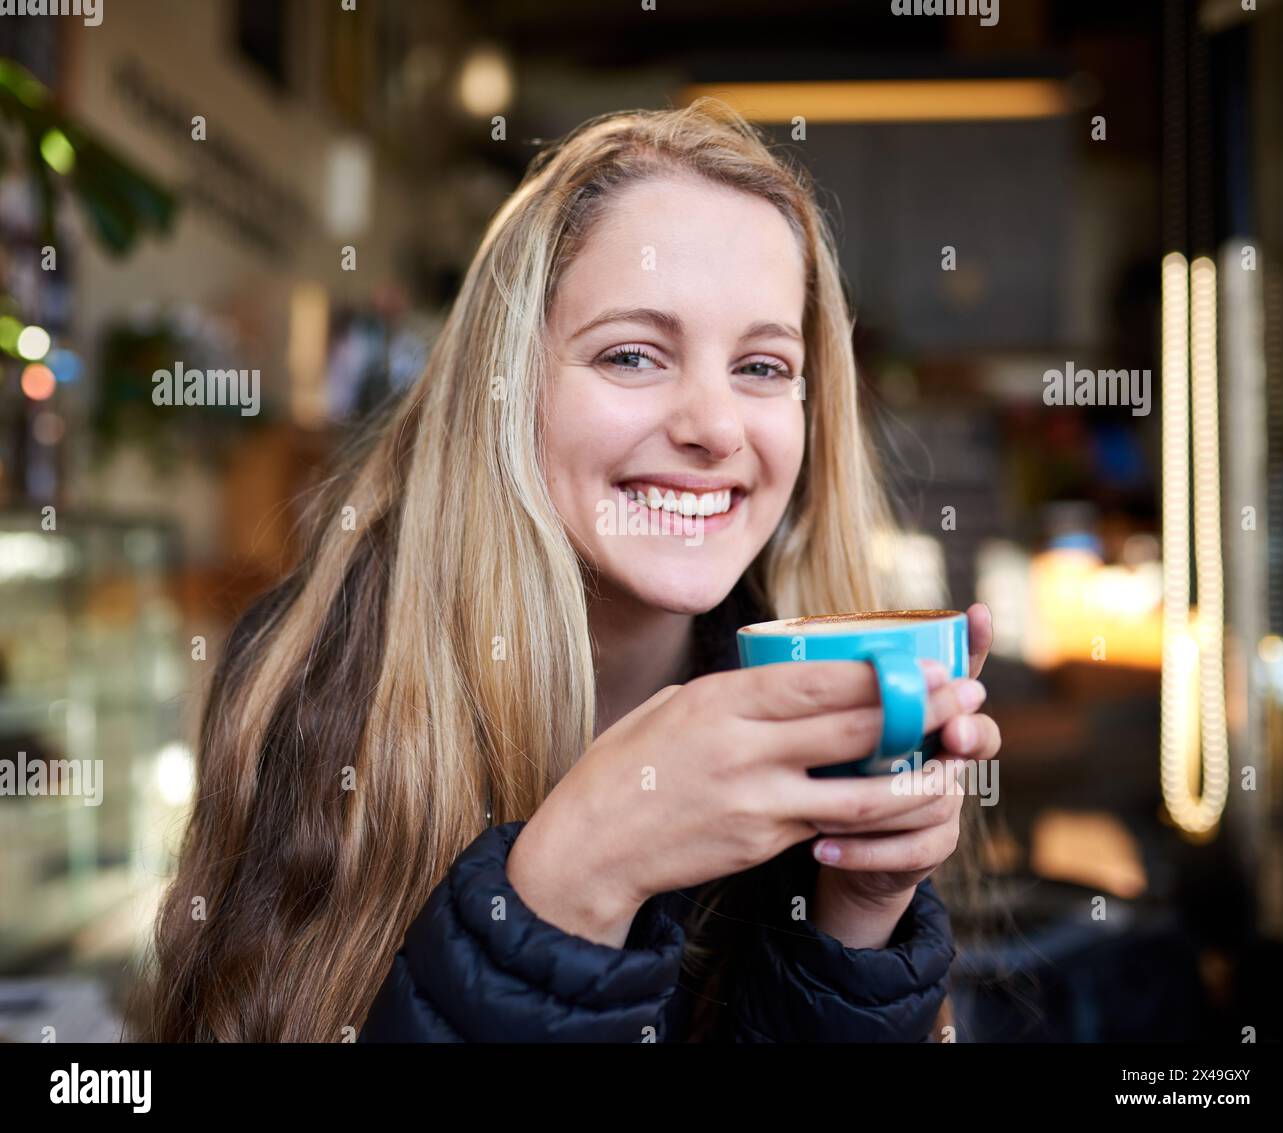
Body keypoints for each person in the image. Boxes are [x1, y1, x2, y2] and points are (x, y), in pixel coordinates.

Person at [139, 98, 1000, 1043]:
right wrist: (575, 880)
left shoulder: (823, 718)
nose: (714, 428)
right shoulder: (316, 670)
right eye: (633, 354)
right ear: (510, 387)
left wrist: (858, 923)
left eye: (761, 367)